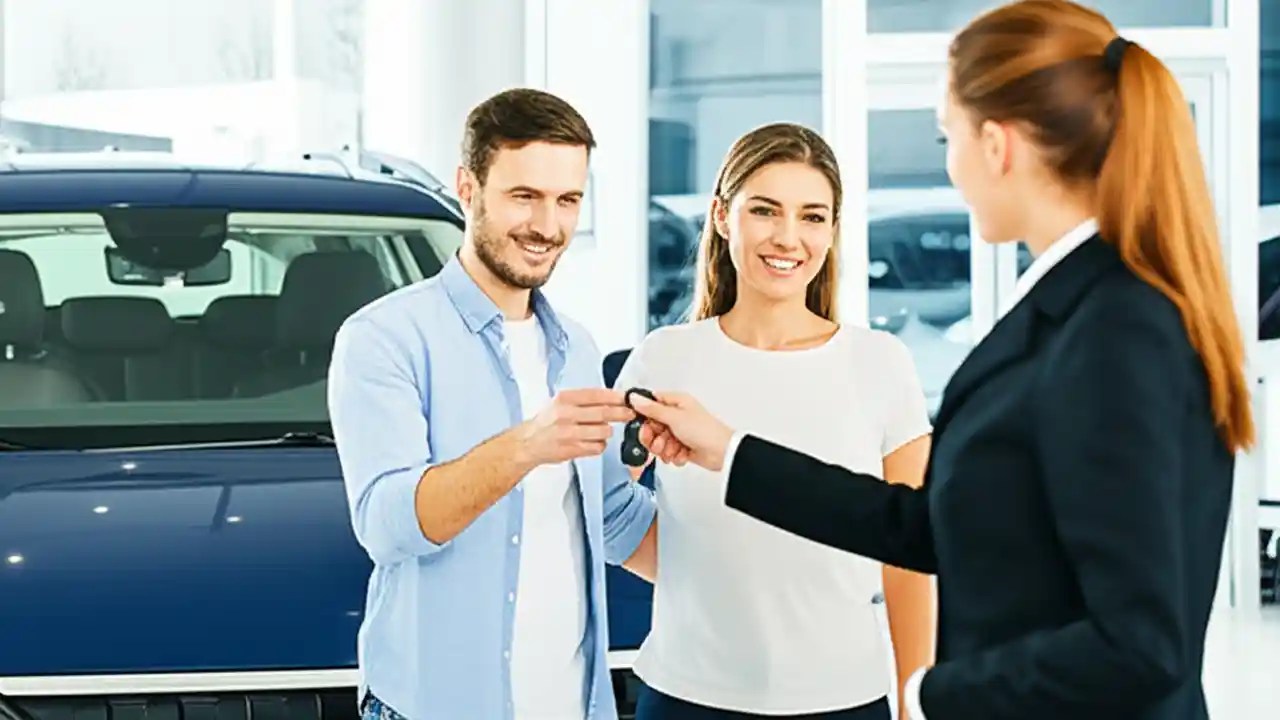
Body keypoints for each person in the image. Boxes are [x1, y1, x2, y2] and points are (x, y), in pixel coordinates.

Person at [627, 2, 1254, 719]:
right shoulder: (1076, 308)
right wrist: (731, 452)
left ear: (997, 145)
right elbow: (935, 526)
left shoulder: (1117, 330)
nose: (948, 162)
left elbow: (1142, 643)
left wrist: (933, 696)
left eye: (945, 135)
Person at [327, 88, 658, 720]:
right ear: (468, 188)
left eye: (567, 200)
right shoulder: (383, 339)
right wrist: (527, 445)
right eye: (524, 196)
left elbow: (614, 518)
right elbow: (388, 525)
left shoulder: (578, 349)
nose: (547, 225)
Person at [615, 122, 936, 720]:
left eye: (813, 216)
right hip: (686, 695)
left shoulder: (879, 364)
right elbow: (603, 507)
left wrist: (912, 704)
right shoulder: (664, 357)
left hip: (845, 699)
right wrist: (700, 572)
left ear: (833, 231)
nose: (789, 237)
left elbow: (909, 554)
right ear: (721, 215)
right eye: (765, 211)